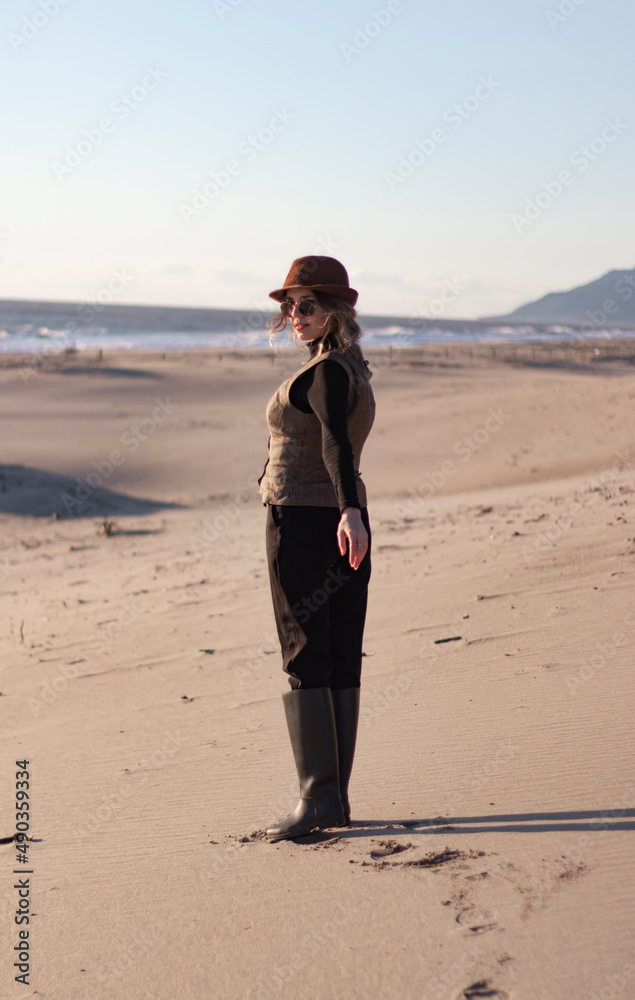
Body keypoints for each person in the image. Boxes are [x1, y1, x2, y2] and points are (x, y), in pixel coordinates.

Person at [257, 255, 376, 841]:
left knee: (306, 651)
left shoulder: (328, 372)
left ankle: (319, 799)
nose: (295, 316)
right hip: (341, 521)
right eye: (289, 306)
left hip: (308, 524)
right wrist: (353, 513)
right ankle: (334, 798)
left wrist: (347, 510)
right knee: (337, 649)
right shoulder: (350, 367)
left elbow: (335, 445)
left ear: (335, 312)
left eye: (307, 305)